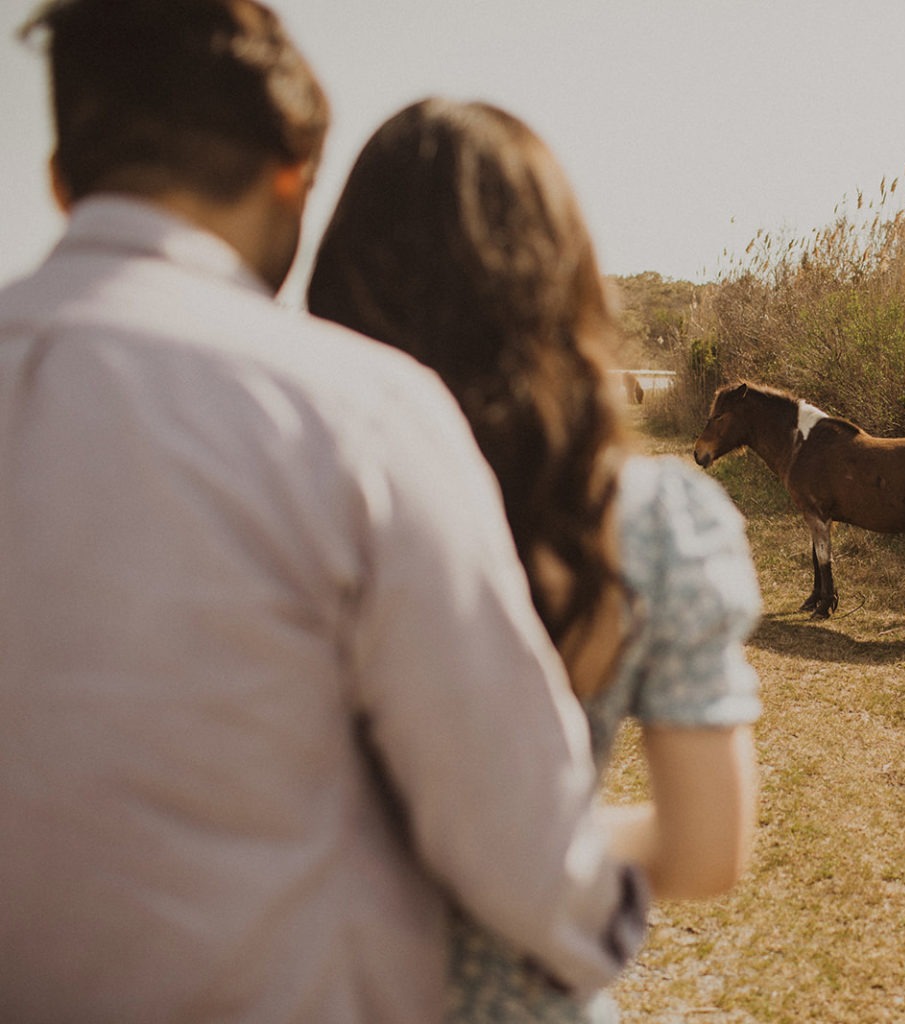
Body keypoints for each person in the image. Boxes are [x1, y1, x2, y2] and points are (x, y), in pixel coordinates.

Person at [0, 4, 644, 1022]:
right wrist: (602, 922)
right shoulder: (360, 415)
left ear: (61, 182)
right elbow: (517, 840)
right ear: (295, 174)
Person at [307, 98, 762, 1023]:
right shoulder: (647, 521)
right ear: (563, 280)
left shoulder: (290, 487)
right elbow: (708, 848)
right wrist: (520, 847)